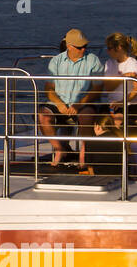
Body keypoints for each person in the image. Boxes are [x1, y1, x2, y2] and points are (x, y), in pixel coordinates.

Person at [38, 29, 105, 167]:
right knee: (43, 117)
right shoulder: (56, 61)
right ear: (69, 46)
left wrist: (79, 104)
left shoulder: (93, 60)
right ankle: (59, 149)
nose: (83, 49)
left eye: (85, 46)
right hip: (59, 102)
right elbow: (49, 88)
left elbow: (97, 89)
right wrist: (59, 104)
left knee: (86, 117)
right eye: (80, 47)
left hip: (85, 102)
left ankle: (84, 151)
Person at [102, 33, 137, 175]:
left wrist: (122, 102)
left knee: (120, 124)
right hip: (114, 105)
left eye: (109, 48)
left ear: (119, 48)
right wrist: (122, 77)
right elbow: (107, 88)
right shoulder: (109, 64)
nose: (107, 51)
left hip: (132, 105)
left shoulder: (132, 63)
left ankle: (136, 166)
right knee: (97, 122)